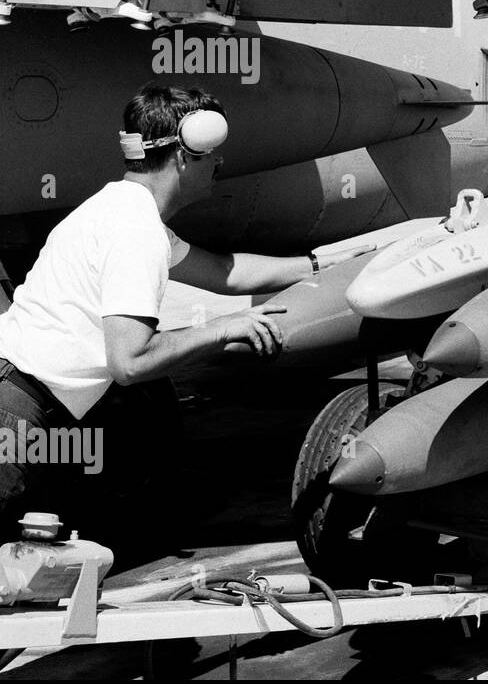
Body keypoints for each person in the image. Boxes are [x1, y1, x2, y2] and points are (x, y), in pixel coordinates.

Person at [0, 82, 364, 535]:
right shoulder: (134, 230)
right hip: (14, 412)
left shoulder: (120, 209)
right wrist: (222, 329)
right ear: (183, 155)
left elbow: (227, 273)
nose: (219, 163)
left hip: (21, 405)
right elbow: (130, 361)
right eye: (212, 154)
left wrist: (322, 261)